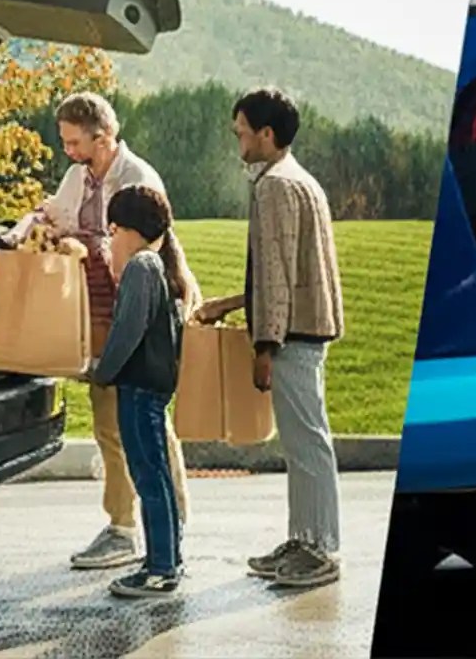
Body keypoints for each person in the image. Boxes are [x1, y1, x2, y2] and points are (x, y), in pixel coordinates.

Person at [195, 87, 346, 589]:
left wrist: (266, 346)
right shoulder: (299, 180)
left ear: (266, 133)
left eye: (242, 129)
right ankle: (304, 539)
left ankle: (320, 549)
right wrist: (229, 304)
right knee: (304, 443)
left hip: (294, 336)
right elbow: (282, 272)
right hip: (306, 329)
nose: (237, 137)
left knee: (307, 446)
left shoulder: (275, 187)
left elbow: (278, 274)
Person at [42, 92, 196, 571]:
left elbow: (154, 252)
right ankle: (123, 526)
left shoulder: (138, 180)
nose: (67, 151)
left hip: (139, 312)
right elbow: (56, 217)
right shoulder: (77, 178)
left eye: (74, 142)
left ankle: (169, 525)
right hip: (97, 313)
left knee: (148, 425)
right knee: (110, 424)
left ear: (103, 137)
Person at [88, 185, 192, 598]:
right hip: (154, 389)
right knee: (156, 476)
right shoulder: (160, 265)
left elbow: (126, 332)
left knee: (149, 478)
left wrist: (101, 371)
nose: (111, 238)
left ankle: (160, 568)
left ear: (129, 229)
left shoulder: (141, 268)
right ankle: (165, 561)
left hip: (138, 390)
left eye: (113, 228)